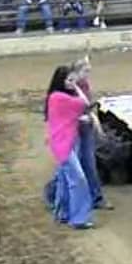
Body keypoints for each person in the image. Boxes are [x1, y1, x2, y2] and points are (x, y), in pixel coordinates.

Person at [44, 66, 95, 229]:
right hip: (64, 144)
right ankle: (78, 218)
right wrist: (79, 88)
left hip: (66, 142)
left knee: (66, 179)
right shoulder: (59, 97)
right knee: (77, 179)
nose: (73, 84)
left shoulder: (57, 97)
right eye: (69, 80)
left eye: (74, 80)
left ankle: (63, 213)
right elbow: (84, 104)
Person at [69, 57, 109, 212]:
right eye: (85, 71)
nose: (87, 75)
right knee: (76, 165)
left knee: (89, 163)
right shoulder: (69, 86)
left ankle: (96, 197)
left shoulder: (84, 84)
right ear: (76, 71)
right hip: (73, 129)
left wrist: (95, 121)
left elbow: (88, 105)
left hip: (85, 127)